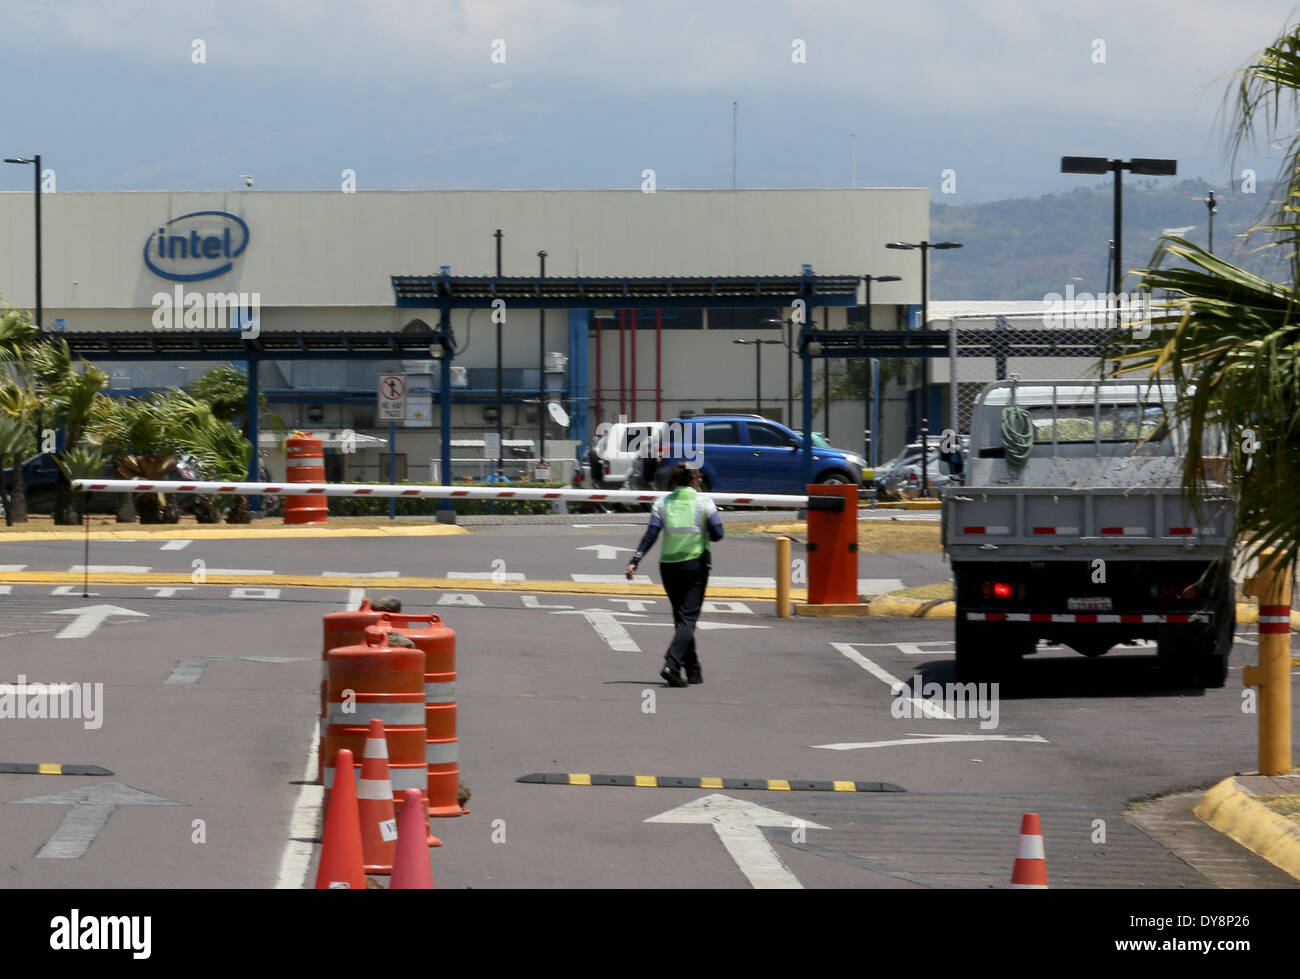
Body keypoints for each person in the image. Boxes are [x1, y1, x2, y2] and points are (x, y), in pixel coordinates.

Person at [625, 463, 723, 687]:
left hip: (668, 566)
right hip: (695, 564)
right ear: (695, 479)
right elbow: (718, 534)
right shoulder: (704, 502)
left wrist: (635, 560)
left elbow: (651, 534)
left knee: (681, 618)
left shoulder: (662, 502)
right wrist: (705, 529)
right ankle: (672, 664)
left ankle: (694, 670)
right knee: (688, 619)